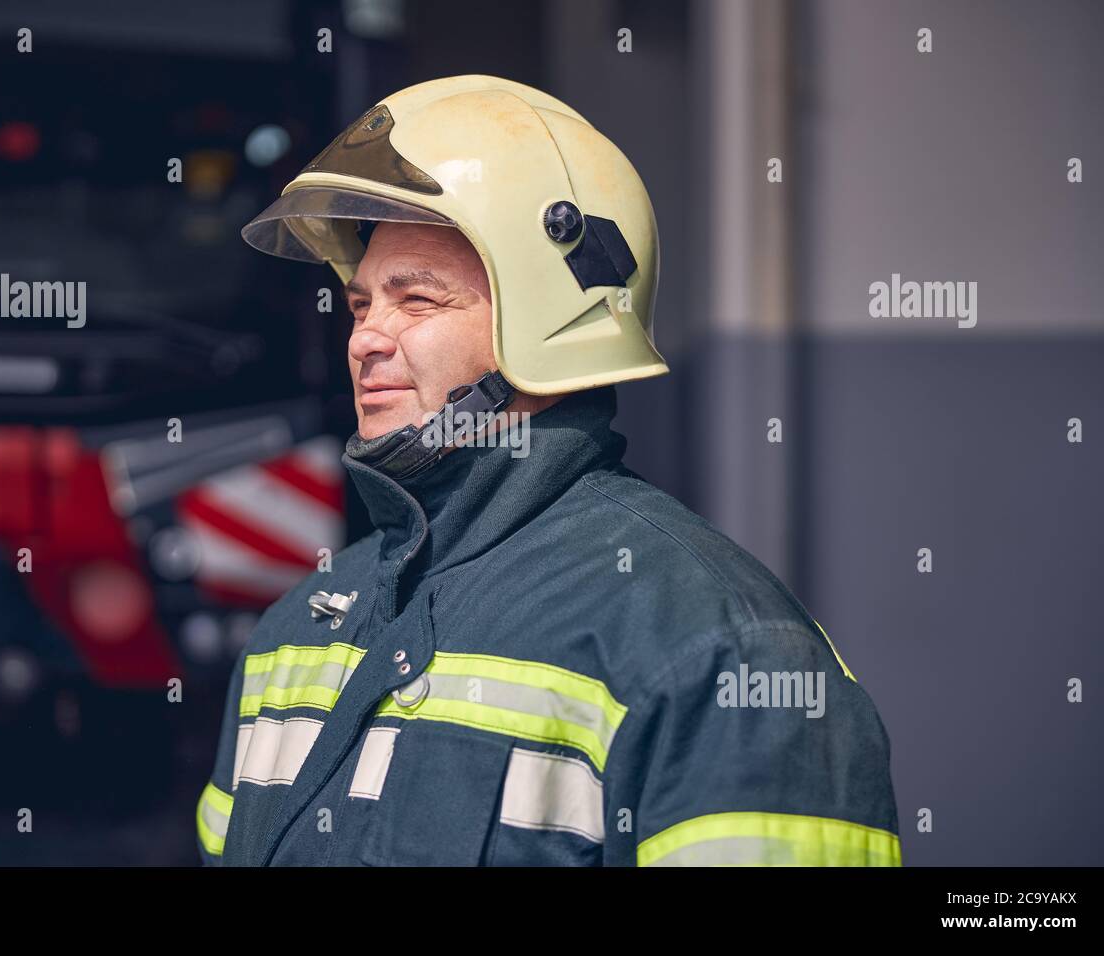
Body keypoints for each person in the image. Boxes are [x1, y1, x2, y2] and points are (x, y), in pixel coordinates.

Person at [196, 74, 900, 866]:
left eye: (417, 301)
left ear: (553, 323)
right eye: (361, 306)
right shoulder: (292, 634)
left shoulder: (724, 650)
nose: (365, 339)